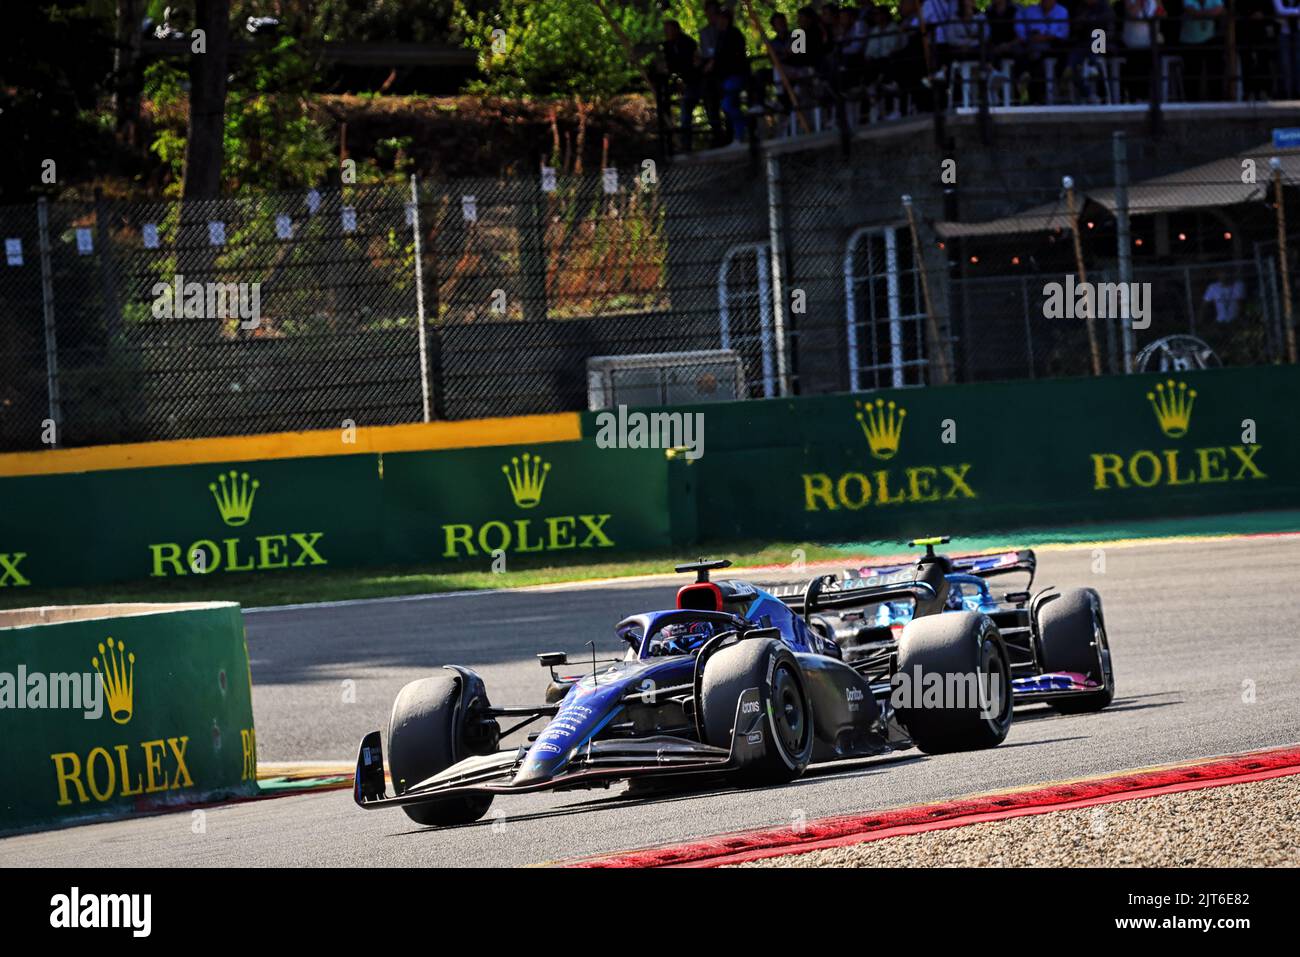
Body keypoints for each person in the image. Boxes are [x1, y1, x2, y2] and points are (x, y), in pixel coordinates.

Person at [1014, 0, 1071, 102]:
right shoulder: (1030, 11)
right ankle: (1024, 82)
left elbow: (1063, 34)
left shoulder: (1062, 11)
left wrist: (1046, 37)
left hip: (1053, 48)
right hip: (1032, 47)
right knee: (1021, 53)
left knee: (1042, 64)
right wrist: (1030, 38)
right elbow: (1022, 30)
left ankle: (1045, 94)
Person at [713, 6, 752, 144]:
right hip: (726, 77)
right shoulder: (720, 37)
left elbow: (733, 57)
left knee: (728, 104)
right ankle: (741, 133)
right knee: (729, 104)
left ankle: (743, 131)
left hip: (736, 75)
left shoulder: (733, 34)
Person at [1066, 0, 1115, 101]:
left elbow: (1106, 26)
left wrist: (1089, 22)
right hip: (1084, 43)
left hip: (1102, 42)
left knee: (1096, 36)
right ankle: (1088, 93)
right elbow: (1077, 26)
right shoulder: (1081, 8)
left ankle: (1093, 65)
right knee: (1072, 65)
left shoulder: (1105, 7)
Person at [662, 20, 701, 146]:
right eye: (666, 30)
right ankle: (683, 143)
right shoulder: (668, 46)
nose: (667, 33)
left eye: (669, 29)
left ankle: (687, 143)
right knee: (680, 109)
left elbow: (691, 64)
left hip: (695, 81)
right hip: (681, 82)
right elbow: (670, 65)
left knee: (687, 108)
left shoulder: (687, 43)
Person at [1179, 0, 1224, 100]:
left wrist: (1201, 14)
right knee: (1192, 73)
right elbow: (1190, 10)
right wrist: (1208, 14)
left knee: (1214, 69)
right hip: (1189, 41)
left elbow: (1219, 9)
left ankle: (1215, 100)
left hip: (1209, 38)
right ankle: (1191, 101)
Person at [697, 1, 726, 147]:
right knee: (710, 102)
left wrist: (715, 59)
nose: (711, 16)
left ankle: (731, 134)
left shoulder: (725, 31)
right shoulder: (704, 32)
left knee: (726, 102)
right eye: (708, 13)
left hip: (725, 71)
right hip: (710, 74)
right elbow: (705, 53)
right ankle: (717, 134)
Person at [1120, 0, 1161, 102]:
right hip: (1132, 44)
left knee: (1149, 68)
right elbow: (1133, 13)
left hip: (1150, 43)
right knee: (1135, 69)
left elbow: (1162, 14)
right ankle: (1135, 97)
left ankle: (1147, 97)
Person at [1277, 0, 1300, 98]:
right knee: (1285, 63)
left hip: (1298, 32)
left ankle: (1298, 91)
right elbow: (1279, 10)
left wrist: (1287, 12)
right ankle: (1287, 92)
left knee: (1298, 62)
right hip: (1284, 32)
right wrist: (1296, 12)